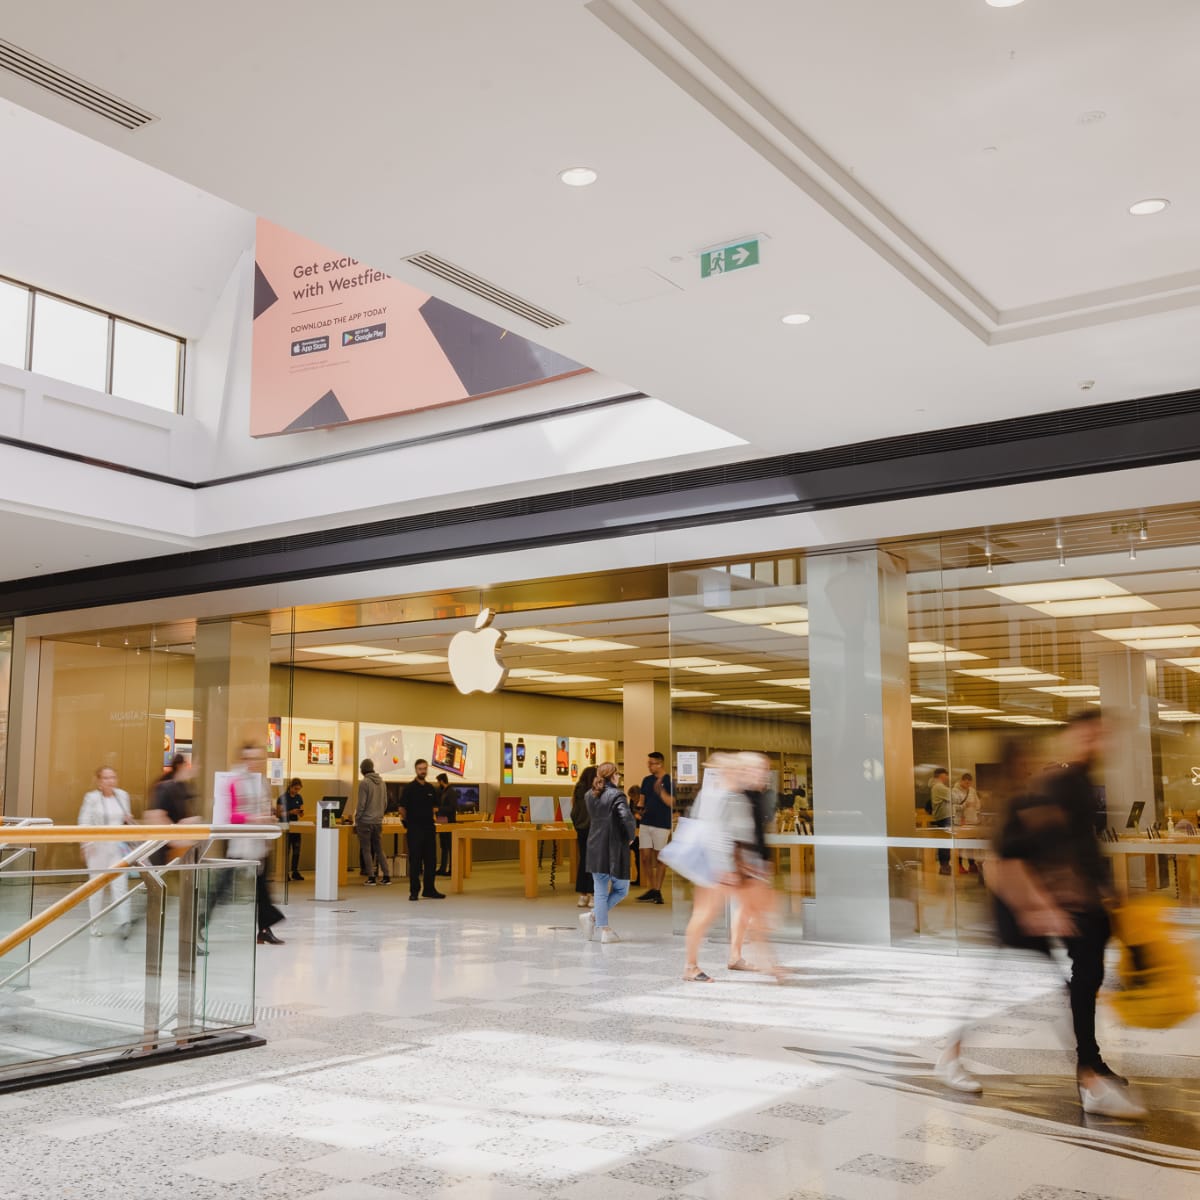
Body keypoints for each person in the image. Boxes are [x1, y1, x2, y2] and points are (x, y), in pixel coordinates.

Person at [940, 717, 1147, 1120]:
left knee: (1046, 990)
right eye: (1027, 759)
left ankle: (1087, 1073)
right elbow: (1002, 865)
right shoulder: (1018, 804)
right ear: (1015, 764)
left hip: (1026, 912)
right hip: (1011, 913)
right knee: (1043, 990)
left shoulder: (1031, 799)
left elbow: (1055, 856)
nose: (1036, 763)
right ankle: (1088, 1078)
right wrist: (1040, 908)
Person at [682, 754, 776, 982]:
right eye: (744, 770)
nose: (750, 774)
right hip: (717, 867)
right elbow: (717, 834)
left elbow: (741, 834)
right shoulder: (720, 796)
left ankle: (763, 963)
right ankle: (690, 966)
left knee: (750, 911)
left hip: (735, 866)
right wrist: (727, 867)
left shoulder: (735, 795)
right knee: (705, 914)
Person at [227, 744, 285, 945]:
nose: (255, 763)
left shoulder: (261, 783)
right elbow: (233, 816)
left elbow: (265, 809)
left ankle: (264, 929)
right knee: (222, 887)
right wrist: (256, 819)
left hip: (259, 844)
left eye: (259, 759)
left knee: (262, 889)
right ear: (244, 760)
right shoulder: (236, 781)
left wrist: (268, 819)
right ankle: (200, 922)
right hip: (240, 846)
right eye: (251, 758)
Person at [581, 762, 637, 944]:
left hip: (594, 846)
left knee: (600, 890)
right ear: (612, 776)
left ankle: (596, 920)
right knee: (621, 889)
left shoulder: (589, 795)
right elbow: (627, 818)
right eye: (618, 774)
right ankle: (601, 925)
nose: (619, 777)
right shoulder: (617, 795)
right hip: (613, 848)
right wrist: (630, 836)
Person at [78, 766, 135, 938]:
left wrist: (128, 819)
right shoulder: (92, 798)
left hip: (117, 847)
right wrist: (85, 844)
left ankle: (123, 923)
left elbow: (126, 819)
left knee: (120, 885)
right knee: (96, 887)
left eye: (113, 777)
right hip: (97, 847)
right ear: (99, 781)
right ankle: (95, 924)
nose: (110, 781)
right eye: (106, 778)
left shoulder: (122, 796)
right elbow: (84, 822)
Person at [145, 754, 197, 867]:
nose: (194, 769)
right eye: (189, 765)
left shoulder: (184, 787)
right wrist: (175, 838)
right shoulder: (165, 786)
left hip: (175, 849)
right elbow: (154, 815)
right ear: (181, 766)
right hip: (161, 848)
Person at [401, 759, 442, 901]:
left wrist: (434, 817)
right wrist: (408, 824)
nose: (422, 771)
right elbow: (402, 808)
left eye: (424, 768)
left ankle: (429, 889)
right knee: (415, 861)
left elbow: (435, 808)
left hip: (429, 829)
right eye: (420, 769)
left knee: (431, 860)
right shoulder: (409, 788)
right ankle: (414, 891)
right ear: (416, 770)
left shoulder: (431, 788)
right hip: (415, 829)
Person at [636, 752, 673, 904]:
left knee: (660, 858)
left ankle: (658, 889)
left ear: (660, 764)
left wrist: (661, 791)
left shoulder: (668, 781)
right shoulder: (646, 780)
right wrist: (637, 812)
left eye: (652, 763)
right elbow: (642, 800)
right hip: (646, 822)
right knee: (644, 857)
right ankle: (652, 888)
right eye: (648, 763)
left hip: (662, 824)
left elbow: (671, 802)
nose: (649, 766)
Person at [352, 759, 390, 885]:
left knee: (366, 850)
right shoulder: (382, 783)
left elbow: (361, 804)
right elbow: (385, 803)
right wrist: (379, 816)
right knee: (379, 849)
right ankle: (386, 876)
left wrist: (357, 820)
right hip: (378, 821)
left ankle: (371, 877)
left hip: (365, 822)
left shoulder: (365, 783)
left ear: (363, 769)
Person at [571, 765, 597, 907]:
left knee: (584, 861)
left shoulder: (578, 791)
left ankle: (582, 895)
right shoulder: (595, 792)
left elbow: (574, 812)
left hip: (581, 830)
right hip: (594, 830)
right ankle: (593, 894)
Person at [274, 777, 305, 881]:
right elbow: (278, 814)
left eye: (298, 789)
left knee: (297, 850)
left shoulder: (299, 797)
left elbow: (302, 813)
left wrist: (300, 812)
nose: (297, 791)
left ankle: (295, 871)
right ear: (291, 786)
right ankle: (285, 872)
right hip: (285, 825)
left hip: (295, 826)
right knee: (286, 851)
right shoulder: (283, 798)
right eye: (295, 789)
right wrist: (290, 812)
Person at [952, 771, 981, 874]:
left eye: (969, 783)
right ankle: (959, 865)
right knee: (960, 845)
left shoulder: (972, 790)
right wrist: (965, 805)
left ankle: (972, 865)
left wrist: (975, 806)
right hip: (960, 821)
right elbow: (953, 807)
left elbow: (978, 804)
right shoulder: (954, 791)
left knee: (971, 845)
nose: (968, 785)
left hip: (972, 820)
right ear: (961, 781)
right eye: (966, 783)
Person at [929, 767, 952, 874]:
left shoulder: (937, 786)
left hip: (943, 817)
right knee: (945, 843)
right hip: (944, 817)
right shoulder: (938, 786)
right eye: (946, 775)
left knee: (945, 842)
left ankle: (945, 866)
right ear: (941, 775)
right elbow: (954, 797)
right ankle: (944, 866)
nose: (947, 777)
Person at [435, 772, 456, 877]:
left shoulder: (451, 792)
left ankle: (452, 869)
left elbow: (452, 808)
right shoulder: (443, 792)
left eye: (438, 782)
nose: (437, 784)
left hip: (449, 821)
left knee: (450, 845)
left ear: (441, 781)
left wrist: (438, 809)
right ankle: (442, 868)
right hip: (441, 820)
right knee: (443, 845)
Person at [626, 784, 643, 887]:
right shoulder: (632, 802)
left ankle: (640, 878)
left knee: (638, 854)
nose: (632, 799)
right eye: (631, 797)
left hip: (643, 831)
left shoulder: (645, 801)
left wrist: (639, 817)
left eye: (633, 797)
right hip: (634, 830)